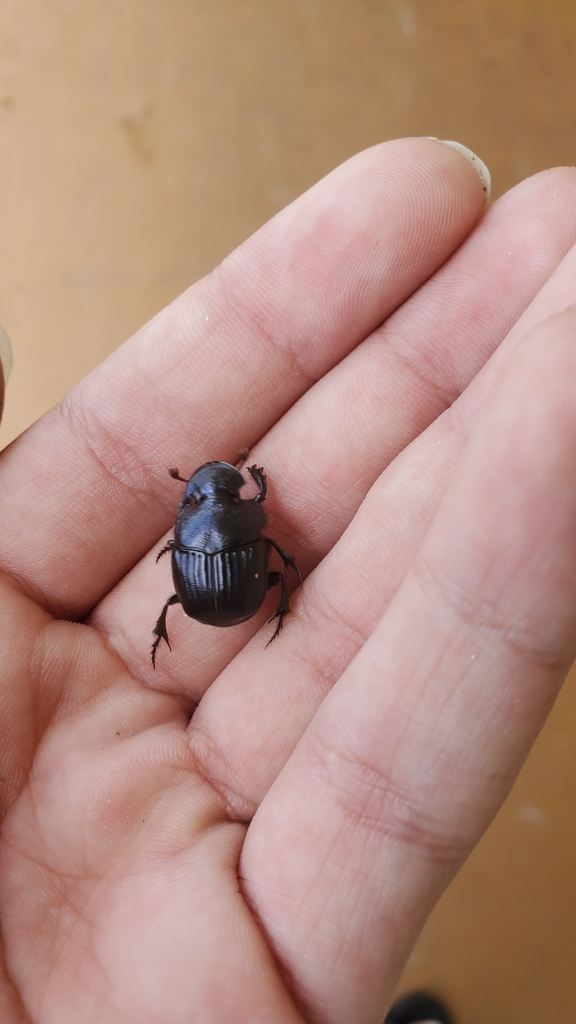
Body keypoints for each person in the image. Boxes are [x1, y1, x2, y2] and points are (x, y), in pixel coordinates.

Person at [0, 136, 574, 1023]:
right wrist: (266, 561)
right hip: (223, 593)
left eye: (213, 491)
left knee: (182, 590)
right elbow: (257, 528)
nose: (217, 490)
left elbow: (228, 534)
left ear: (198, 519)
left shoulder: (194, 543)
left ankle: (199, 616)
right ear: (221, 512)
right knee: (230, 582)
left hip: (201, 598)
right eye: (216, 492)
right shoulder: (245, 530)